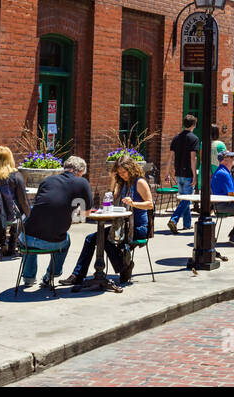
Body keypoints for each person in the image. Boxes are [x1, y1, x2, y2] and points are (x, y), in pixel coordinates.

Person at [61, 153, 153, 287]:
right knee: (92, 238)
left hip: (138, 228)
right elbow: (112, 196)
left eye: (124, 172)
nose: (122, 175)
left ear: (131, 169)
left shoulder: (140, 182)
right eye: (119, 172)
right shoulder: (123, 183)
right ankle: (78, 275)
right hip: (122, 226)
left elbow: (150, 204)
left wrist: (134, 203)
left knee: (102, 238)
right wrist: (114, 179)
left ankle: (119, 268)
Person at [19, 155, 93, 289]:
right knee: (66, 240)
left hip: (26, 238)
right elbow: (85, 214)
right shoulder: (82, 183)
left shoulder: (48, 180)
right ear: (80, 171)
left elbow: (41, 206)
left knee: (32, 237)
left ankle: (28, 279)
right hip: (53, 241)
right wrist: (73, 212)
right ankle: (51, 275)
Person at [167, 115, 200, 235]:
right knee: (186, 199)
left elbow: (170, 157)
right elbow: (193, 158)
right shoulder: (194, 139)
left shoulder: (176, 138)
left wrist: (167, 172)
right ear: (194, 125)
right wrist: (194, 175)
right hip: (187, 174)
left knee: (184, 198)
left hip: (178, 172)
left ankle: (187, 224)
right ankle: (173, 219)